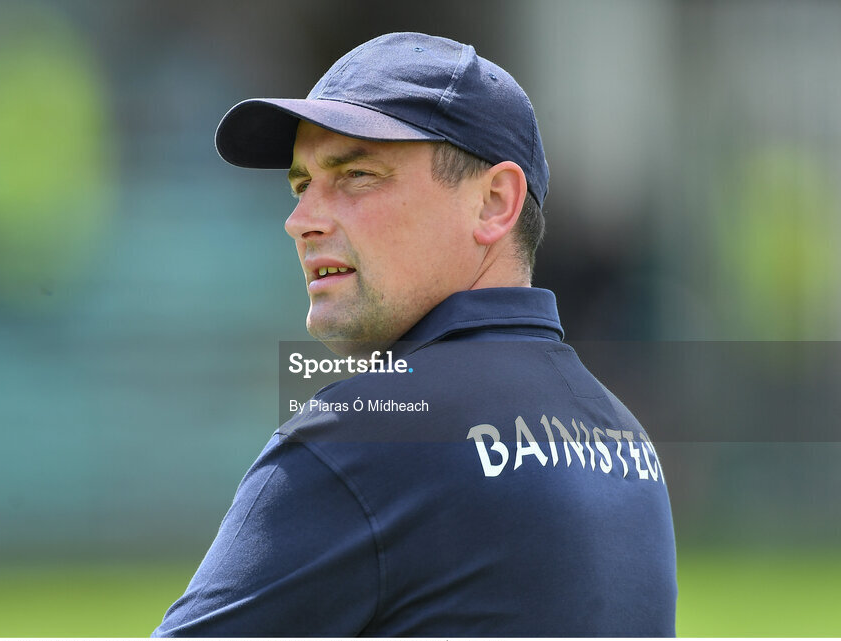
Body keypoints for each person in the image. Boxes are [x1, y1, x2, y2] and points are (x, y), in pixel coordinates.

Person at [153, 32, 676, 637]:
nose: (300, 220)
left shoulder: (363, 435)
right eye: (301, 186)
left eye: (357, 175)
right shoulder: (623, 438)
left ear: (493, 203)